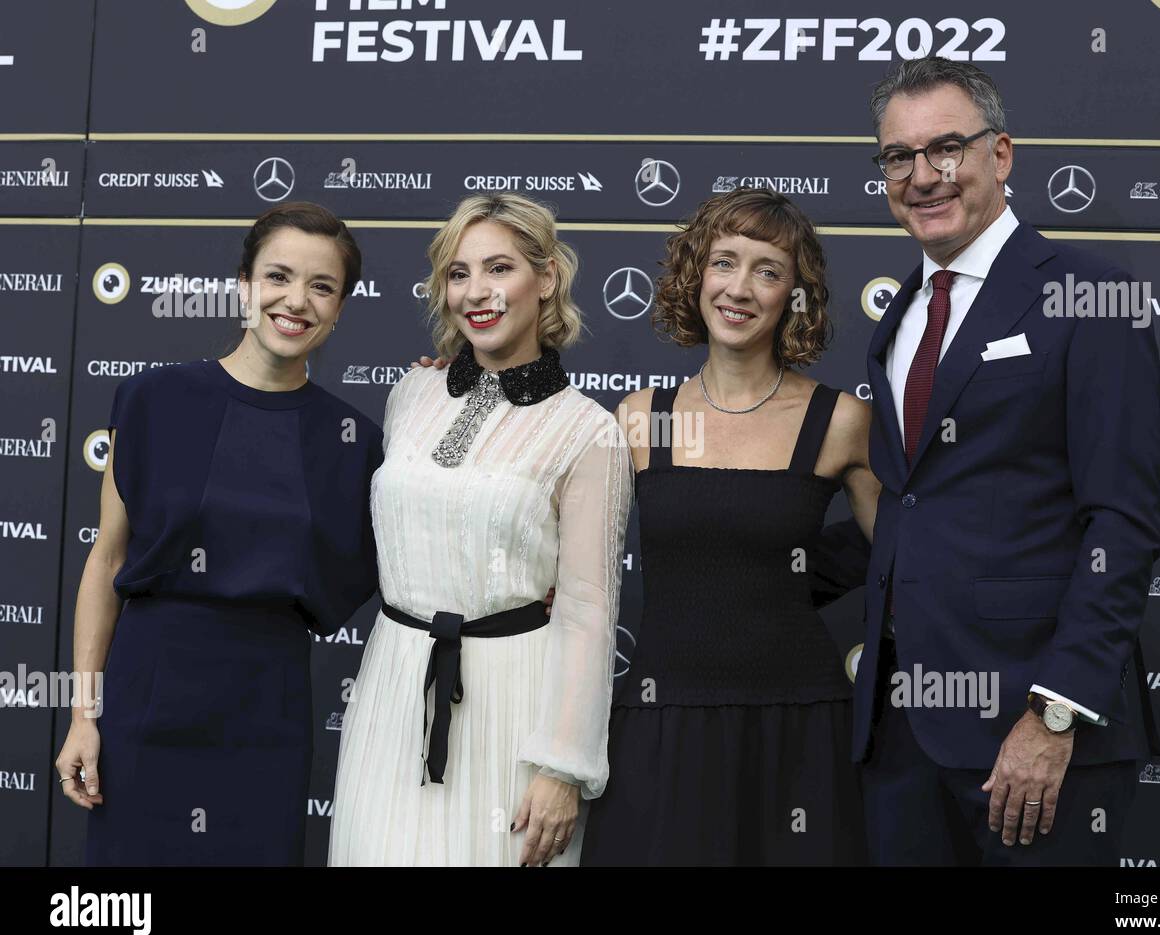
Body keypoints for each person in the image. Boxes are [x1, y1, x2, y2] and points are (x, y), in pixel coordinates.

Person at [835, 55, 1160, 865]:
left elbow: (1120, 524)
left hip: (1038, 739)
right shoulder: (899, 319)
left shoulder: (1089, 297)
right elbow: (913, 511)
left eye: (946, 148)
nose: (923, 176)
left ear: (1001, 154)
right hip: (902, 738)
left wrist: (1054, 716)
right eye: (899, 157)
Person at [58, 201, 383, 865]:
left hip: (268, 711)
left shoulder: (353, 442)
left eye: (322, 287)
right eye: (279, 277)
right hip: (147, 696)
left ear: (342, 307)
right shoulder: (153, 399)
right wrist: (84, 715)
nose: (296, 301)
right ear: (244, 285)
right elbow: (107, 562)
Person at [327, 192, 632, 867]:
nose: (477, 292)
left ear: (545, 278)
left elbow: (587, 611)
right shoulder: (411, 392)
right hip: (393, 685)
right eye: (459, 274)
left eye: (499, 269)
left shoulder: (590, 431)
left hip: (512, 701)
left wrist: (563, 765)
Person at [579, 188, 880, 865]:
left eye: (768, 271)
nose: (740, 288)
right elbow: (572, 569)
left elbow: (906, 559)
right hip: (662, 721)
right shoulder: (639, 418)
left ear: (794, 296)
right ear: (698, 275)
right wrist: (458, 388)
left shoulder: (841, 421)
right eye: (725, 262)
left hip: (798, 729)